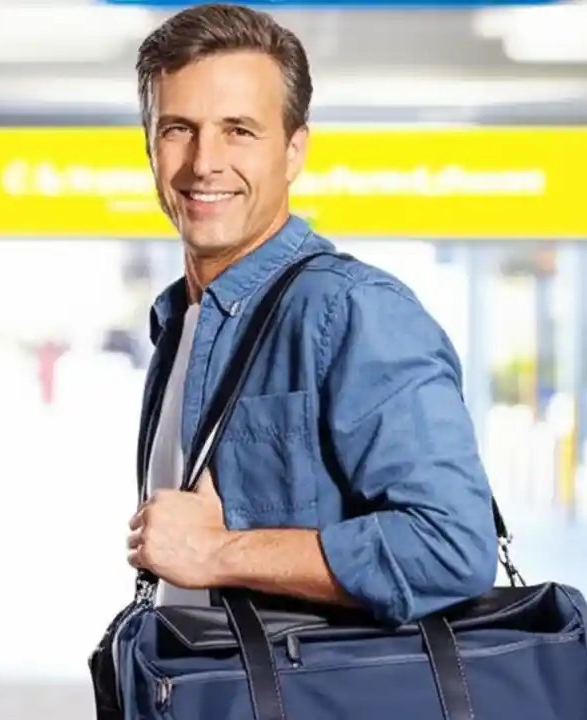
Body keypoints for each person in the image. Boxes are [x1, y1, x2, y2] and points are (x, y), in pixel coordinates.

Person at [123, 5, 498, 625]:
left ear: (294, 151)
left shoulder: (352, 312)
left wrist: (222, 552)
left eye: (239, 130)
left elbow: (452, 547)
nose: (204, 162)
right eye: (178, 129)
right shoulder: (178, 321)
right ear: (150, 147)